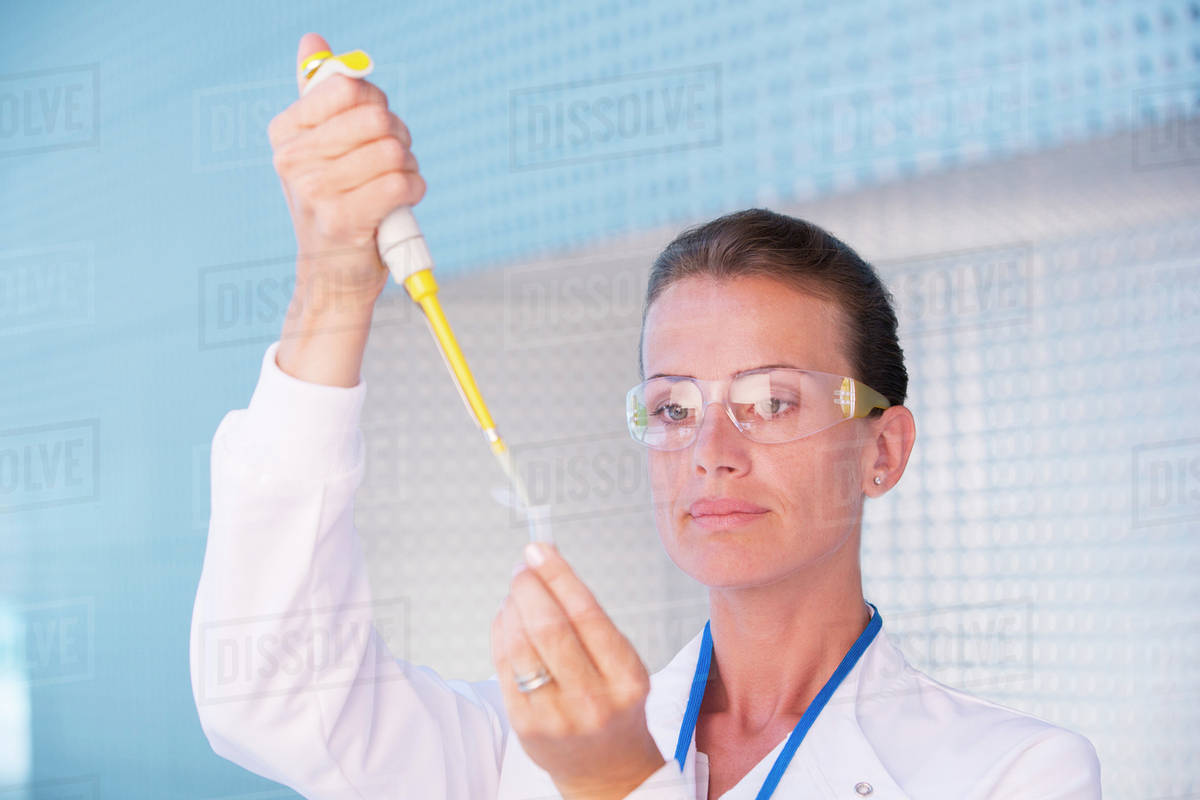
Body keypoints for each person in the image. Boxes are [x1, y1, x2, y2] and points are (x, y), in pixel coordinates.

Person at [189, 33, 1103, 800]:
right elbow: (274, 693)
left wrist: (618, 780)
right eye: (673, 407)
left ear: (884, 449)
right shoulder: (520, 749)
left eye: (770, 401)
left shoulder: (1014, 772)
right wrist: (333, 285)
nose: (712, 451)